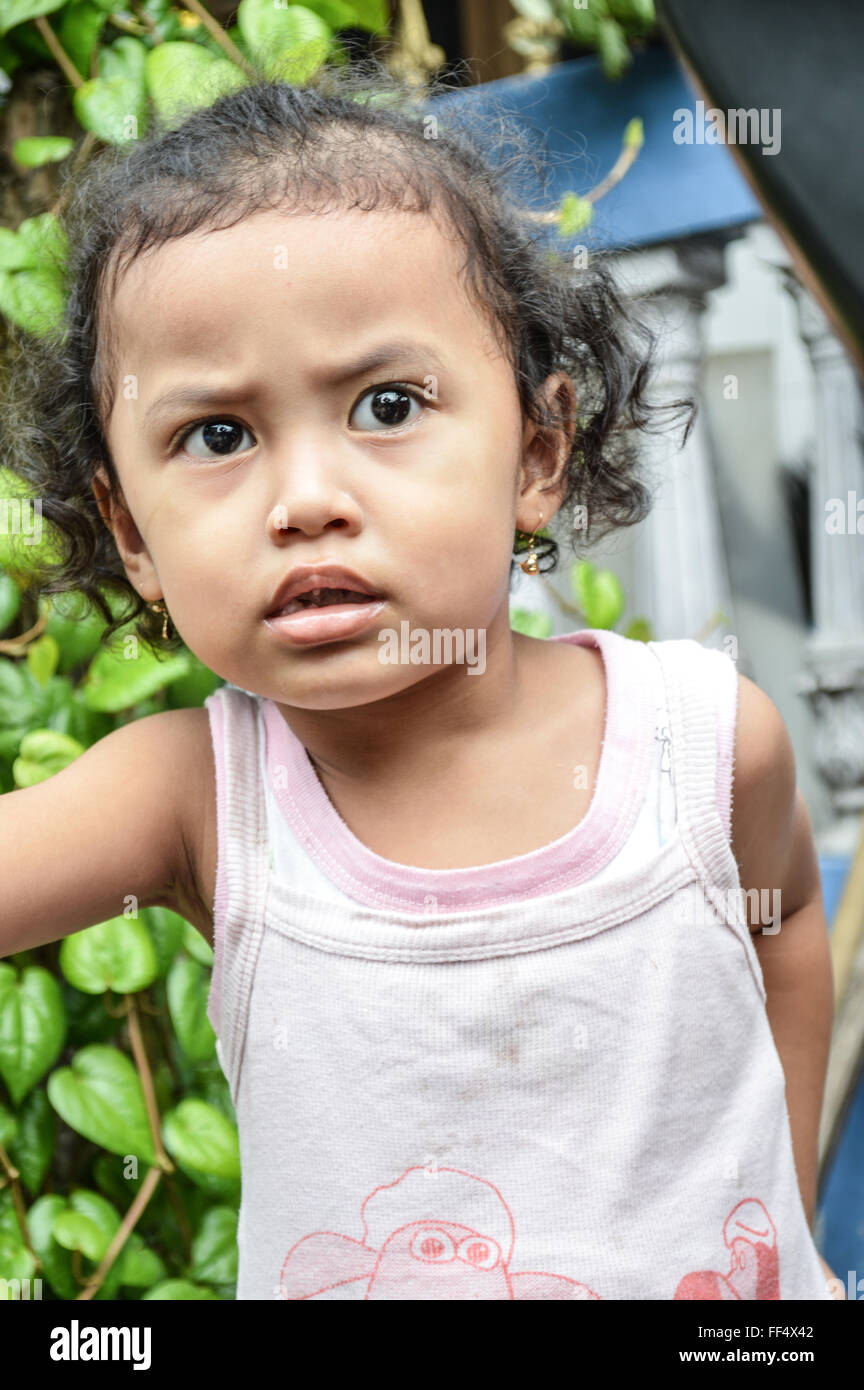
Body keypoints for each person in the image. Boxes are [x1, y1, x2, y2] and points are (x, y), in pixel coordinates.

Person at [1, 59, 842, 1300]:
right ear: (133, 534)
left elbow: (786, 933)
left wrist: (785, 1221)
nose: (307, 501)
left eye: (387, 404)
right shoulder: (196, 795)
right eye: (218, 436)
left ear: (536, 453)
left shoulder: (703, 740)